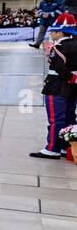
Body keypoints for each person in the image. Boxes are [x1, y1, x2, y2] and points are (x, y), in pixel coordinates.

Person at [33, 16, 77, 158]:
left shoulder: (58, 47)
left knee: (56, 118)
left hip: (56, 86)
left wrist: (71, 77)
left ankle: (52, 148)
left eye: (53, 31)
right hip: (73, 88)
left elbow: (59, 67)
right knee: (69, 117)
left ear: (60, 32)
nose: (51, 34)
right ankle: (67, 146)